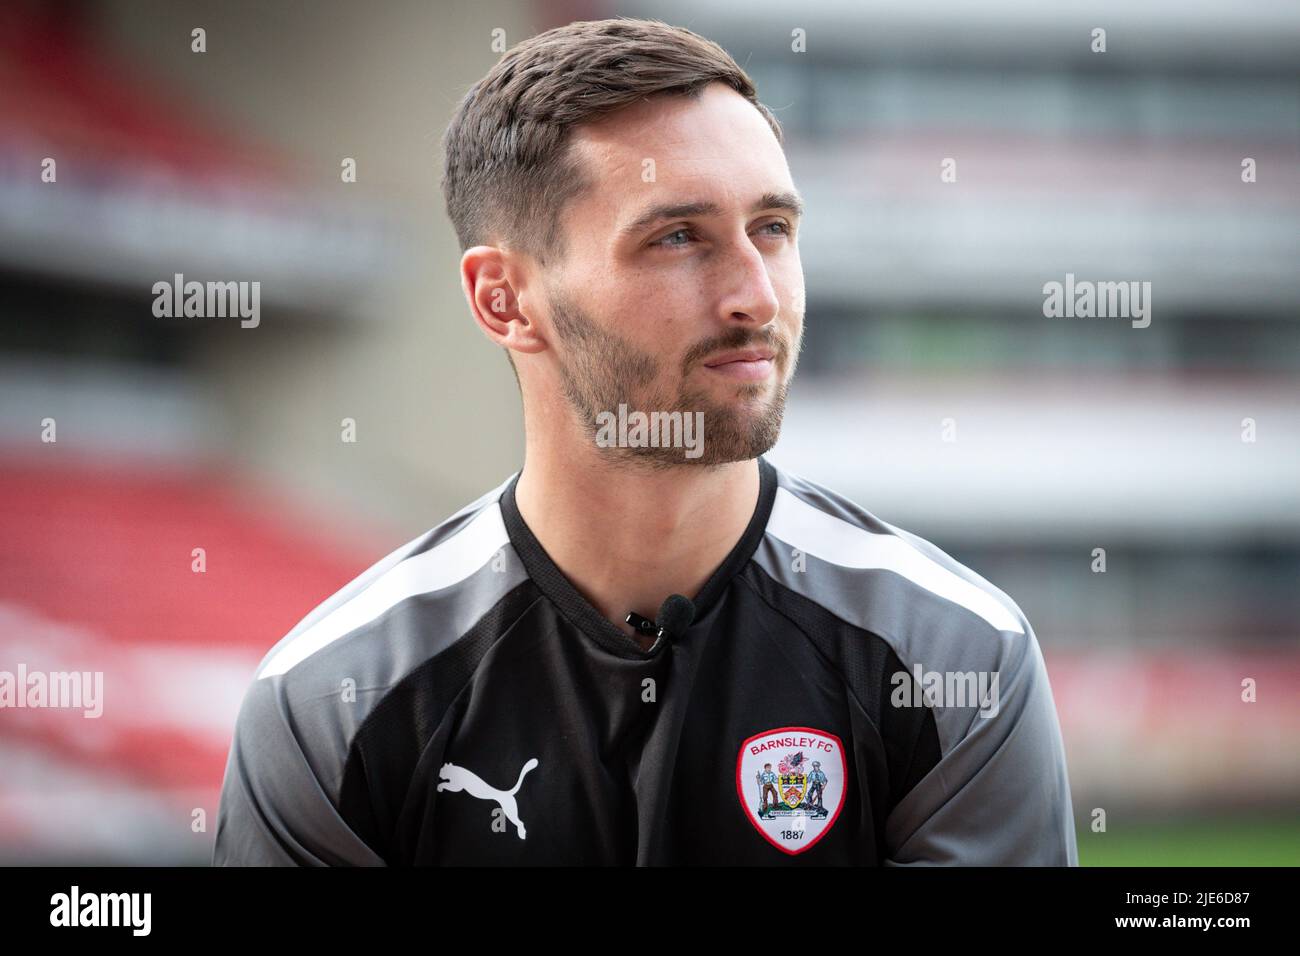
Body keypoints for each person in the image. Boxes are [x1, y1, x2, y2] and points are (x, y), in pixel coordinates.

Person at [213, 17, 1077, 866]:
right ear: (504, 300)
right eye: (677, 238)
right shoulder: (330, 704)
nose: (757, 297)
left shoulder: (954, 657)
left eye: (772, 228)